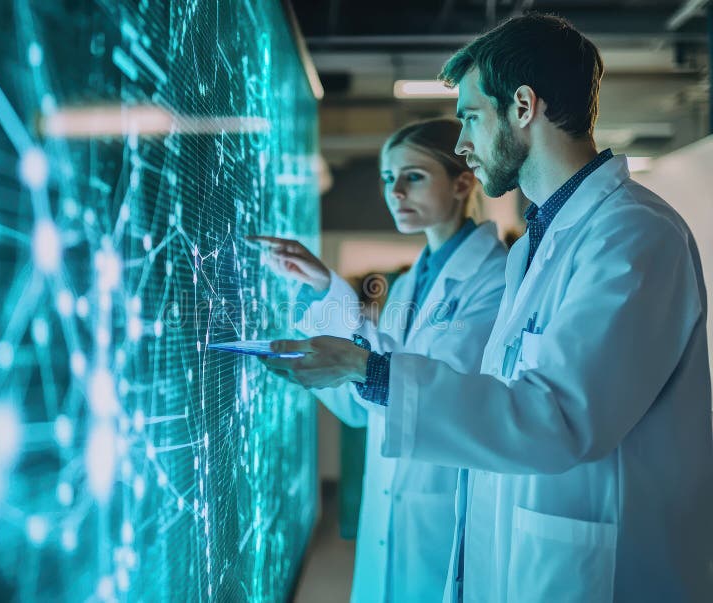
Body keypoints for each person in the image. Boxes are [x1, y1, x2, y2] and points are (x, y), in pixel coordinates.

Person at [262, 13, 713, 603]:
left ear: (523, 107)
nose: (461, 143)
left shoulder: (633, 235)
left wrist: (368, 369)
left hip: (603, 572)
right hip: (522, 557)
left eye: (471, 117)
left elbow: (557, 416)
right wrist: (356, 359)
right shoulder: (536, 246)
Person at [252, 118, 507, 602]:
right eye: (388, 179)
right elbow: (367, 403)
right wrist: (322, 292)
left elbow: (447, 398)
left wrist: (353, 364)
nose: (395, 191)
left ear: (462, 182)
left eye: (413, 176)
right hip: (393, 505)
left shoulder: (492, 279)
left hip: (445, 506)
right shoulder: (411, 283)